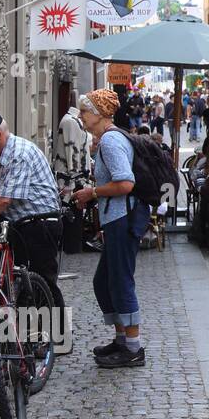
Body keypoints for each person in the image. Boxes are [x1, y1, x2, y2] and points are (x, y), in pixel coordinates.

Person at [73, 90, 150, 367]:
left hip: (123, 218)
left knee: (120, 281)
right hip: (116, 217)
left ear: (100, 113)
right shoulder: (107, 139)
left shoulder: (111, 141)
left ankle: (133, 349)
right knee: (104, 282)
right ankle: (121, 341)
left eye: (84, 111)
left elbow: (125, 183)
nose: (80, 116)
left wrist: (92, 192)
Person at [0, 112, 62, 292]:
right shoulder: (6, 153)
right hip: (25, 222)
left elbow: (5, 199)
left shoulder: (18, 153)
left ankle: (55, 320)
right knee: (23, 283)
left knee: (44, 283)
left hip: (39, 224)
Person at [59, 104, 89, 174]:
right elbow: (71, 153)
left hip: (76, 177)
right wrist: (77, 177)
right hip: (69, 180)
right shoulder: (71, 121)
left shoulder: (75, 120)